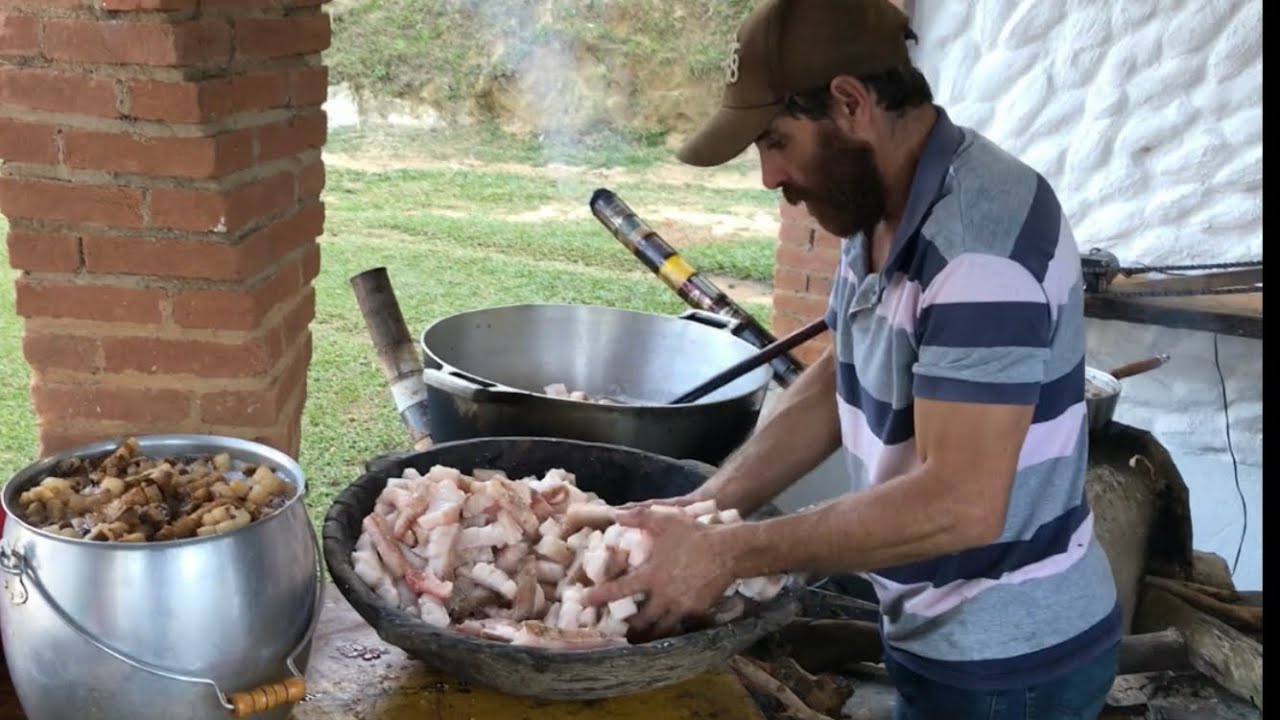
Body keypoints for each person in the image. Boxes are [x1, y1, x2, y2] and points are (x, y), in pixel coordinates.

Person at [583, 0, 1122, 717]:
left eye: (776, 141)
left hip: (1006, 665)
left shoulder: (975, 253)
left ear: (849, 103)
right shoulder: (874, 197)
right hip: (936, 628)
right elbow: (844, 366)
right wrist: (706, 508)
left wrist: (730, 553)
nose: (769, 176)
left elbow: (960, 505)